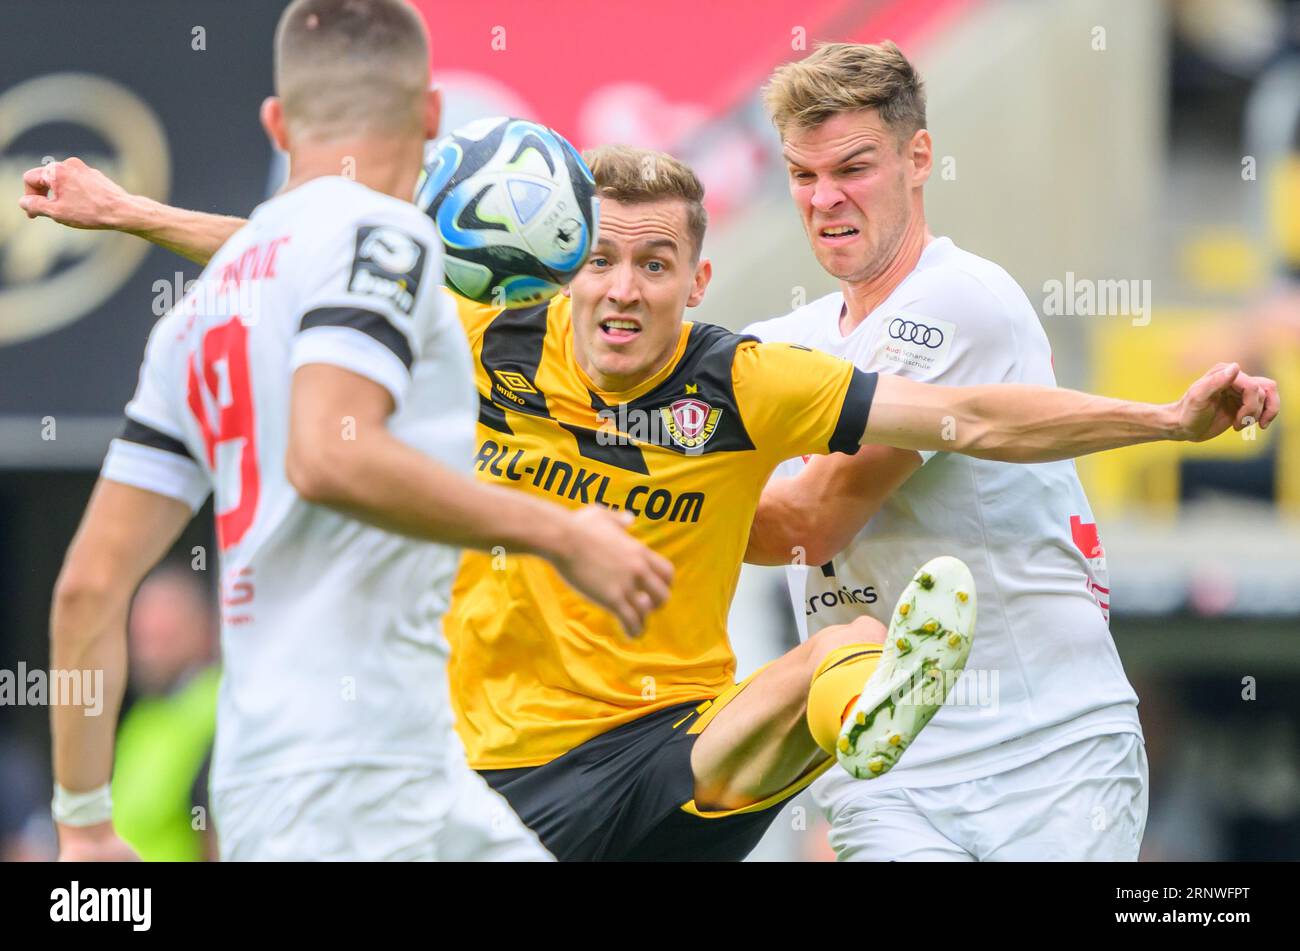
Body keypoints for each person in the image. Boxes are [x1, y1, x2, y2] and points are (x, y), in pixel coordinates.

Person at [22, 140, 1276, 861]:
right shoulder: (487, 336)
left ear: (696, 276)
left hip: (672, 756)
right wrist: (125, 212)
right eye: (603, 260)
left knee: (838, 643)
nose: (624, 288)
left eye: (656, 263)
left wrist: (1162, 420)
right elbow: (286, 254)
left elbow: (969, 415)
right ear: (565, 270)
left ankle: (864, 710)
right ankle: (853, 714)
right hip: (500, 773)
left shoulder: (744, 379)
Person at [41, 0, 671, 863]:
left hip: (372, 772)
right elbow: (329, 454)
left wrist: (81, 820)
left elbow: (87, 588)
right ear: (431, 116)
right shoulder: (393, 235)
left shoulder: (199, 315)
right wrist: (560, 532)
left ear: (275, 120)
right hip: (353, 783)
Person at [738, 41, 1276, 860]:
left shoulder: (958, 300)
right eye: (802, 175)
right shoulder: (777, 343)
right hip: (891, 776)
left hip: (1046, 756)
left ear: (919, 157)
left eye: (853, 167)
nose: (825, 198)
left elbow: (810, 521)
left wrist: (631, 512)